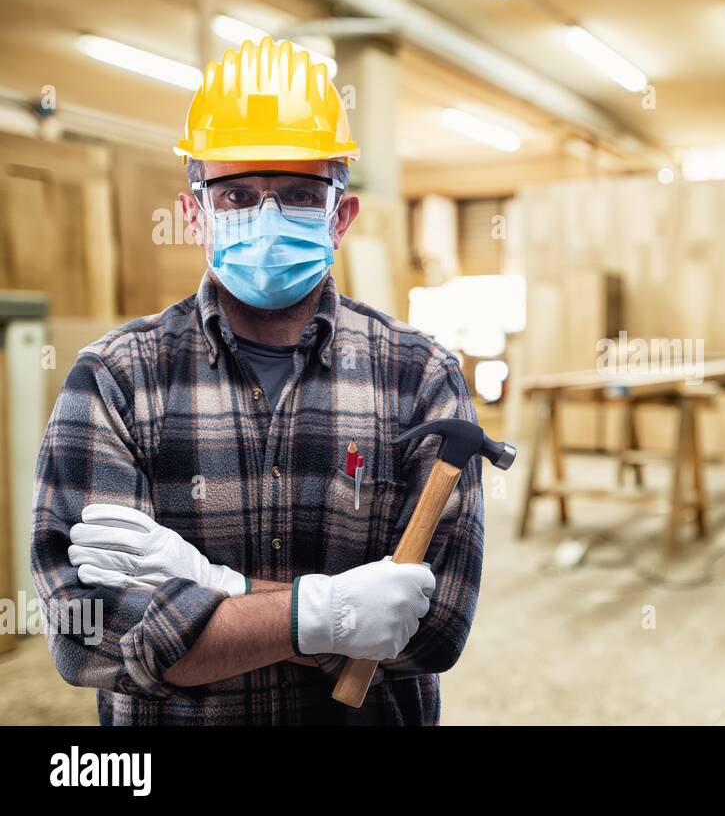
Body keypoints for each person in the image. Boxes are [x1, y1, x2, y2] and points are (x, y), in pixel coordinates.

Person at [30, 38, 482, 725]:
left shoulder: (418, 377)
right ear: (193, 212)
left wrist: (209, 592)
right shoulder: (113, 381)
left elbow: (434, 628)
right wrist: (331, 615)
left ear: (341, 216)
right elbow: (87, 636)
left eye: (300, 195)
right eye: (236, 193)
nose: (267, 219)